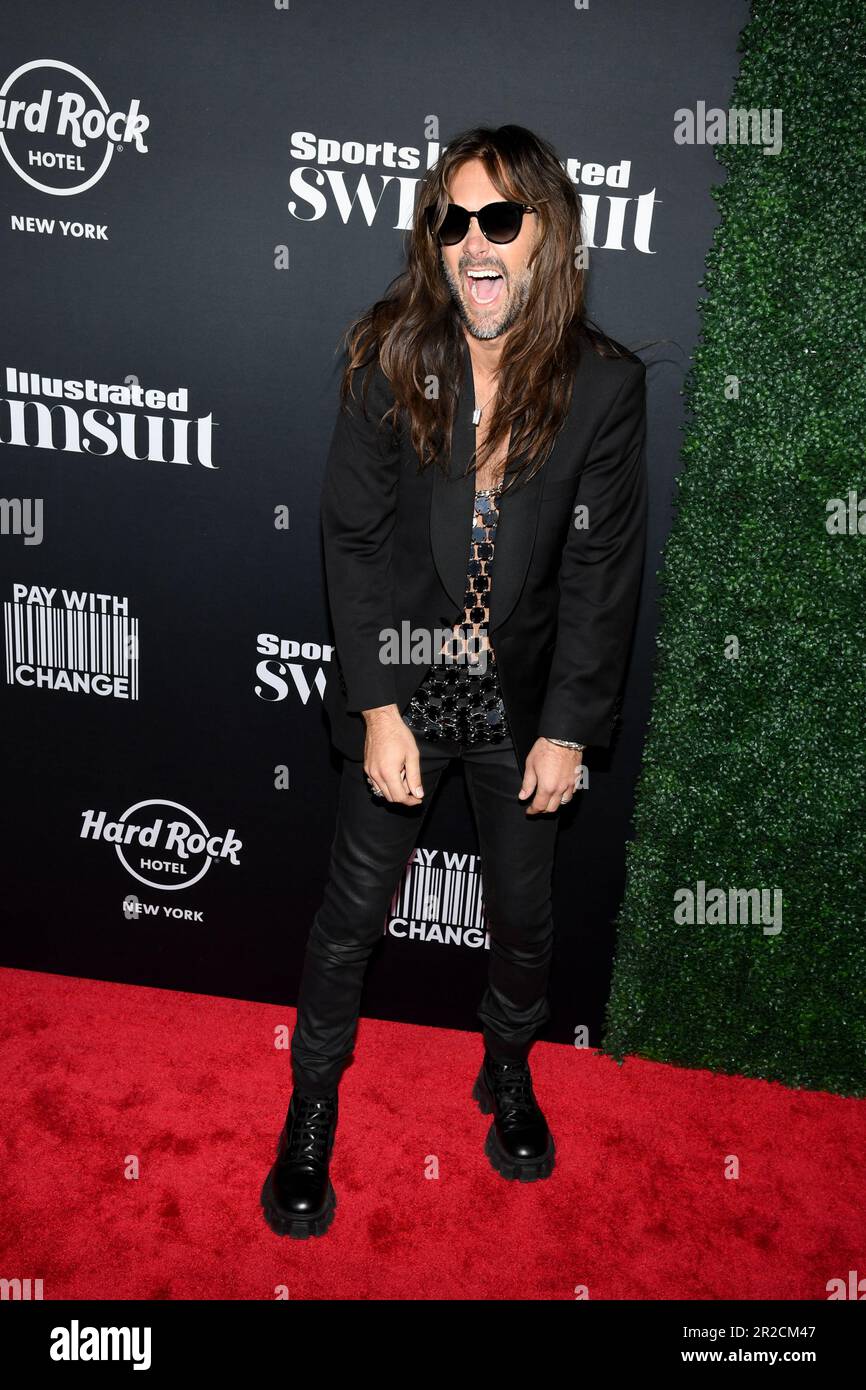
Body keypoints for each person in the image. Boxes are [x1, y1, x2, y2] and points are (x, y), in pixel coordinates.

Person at [260, 124, 648, 1238]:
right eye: (452, 220)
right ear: (434, 242)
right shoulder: (392, 355)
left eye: (499, 219)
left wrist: (568, 728)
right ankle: (311, 1109)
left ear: (546, 236)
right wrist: (378, 703)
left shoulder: (603, 388)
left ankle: (507, 1075)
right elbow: (351, 536)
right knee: (349, 920)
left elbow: (599, 570)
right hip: (410, 685)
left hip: (518, 698)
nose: (474, 242)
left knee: (524, 919)